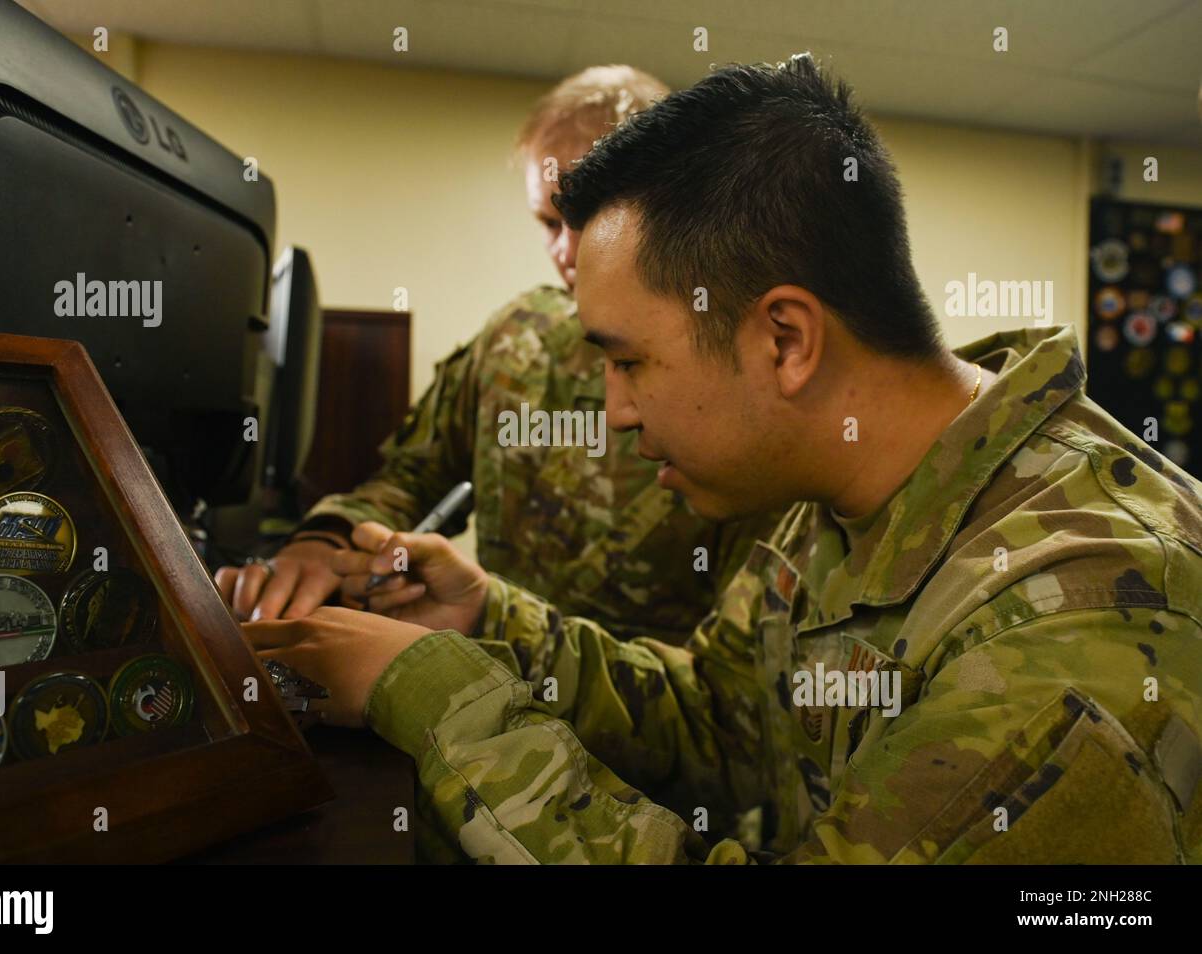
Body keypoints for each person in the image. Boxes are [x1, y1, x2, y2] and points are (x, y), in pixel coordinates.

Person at [244, 54, 1202, 864]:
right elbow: (718, 724)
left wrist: (438, 696)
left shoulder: (1076, 642)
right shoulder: (835, 487)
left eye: (630, 361)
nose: (612, 413)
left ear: (784, 340)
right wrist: (491, 620)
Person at [216, 65, 777, 643]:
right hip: (492, 699)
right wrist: (329, 540)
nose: (568, 251)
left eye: (588, 217)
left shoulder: (731, 369)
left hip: (655, 713)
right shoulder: (514, 339)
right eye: (548, 221)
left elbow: (734, 682)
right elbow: (413, 476)